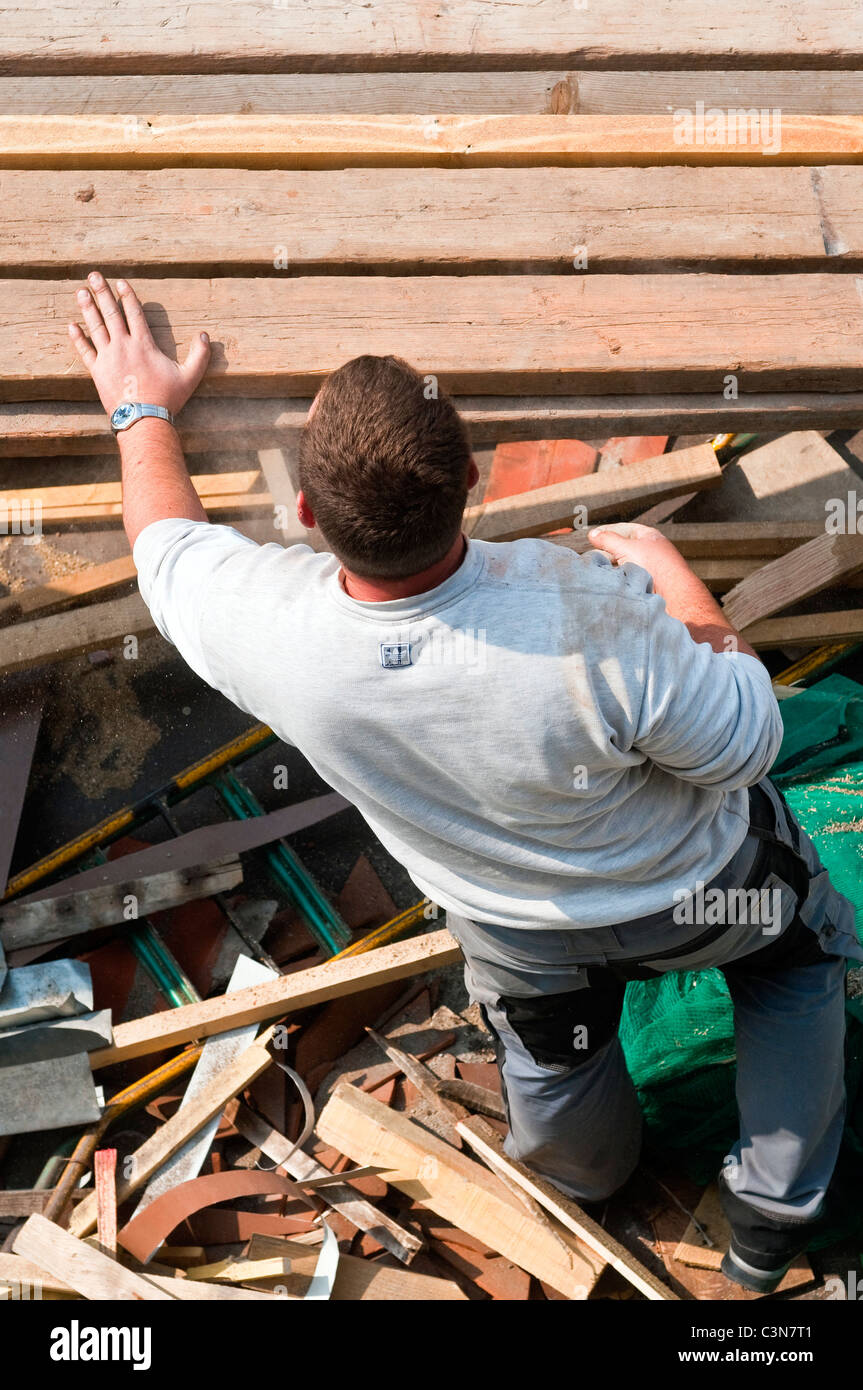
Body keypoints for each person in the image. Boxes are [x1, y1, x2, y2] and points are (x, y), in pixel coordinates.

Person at [68, 271, 863, 1294]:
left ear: (305, 511)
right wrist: (676, 582)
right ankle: (765, 1229)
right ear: (473, 483)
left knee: (553, 1055)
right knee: (795, 965)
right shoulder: (590, 611)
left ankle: (586, 1180)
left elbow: (162, 543)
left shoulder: (270, 631)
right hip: (701, 893)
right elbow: (744, 744)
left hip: (522, 932)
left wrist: (140, 409)